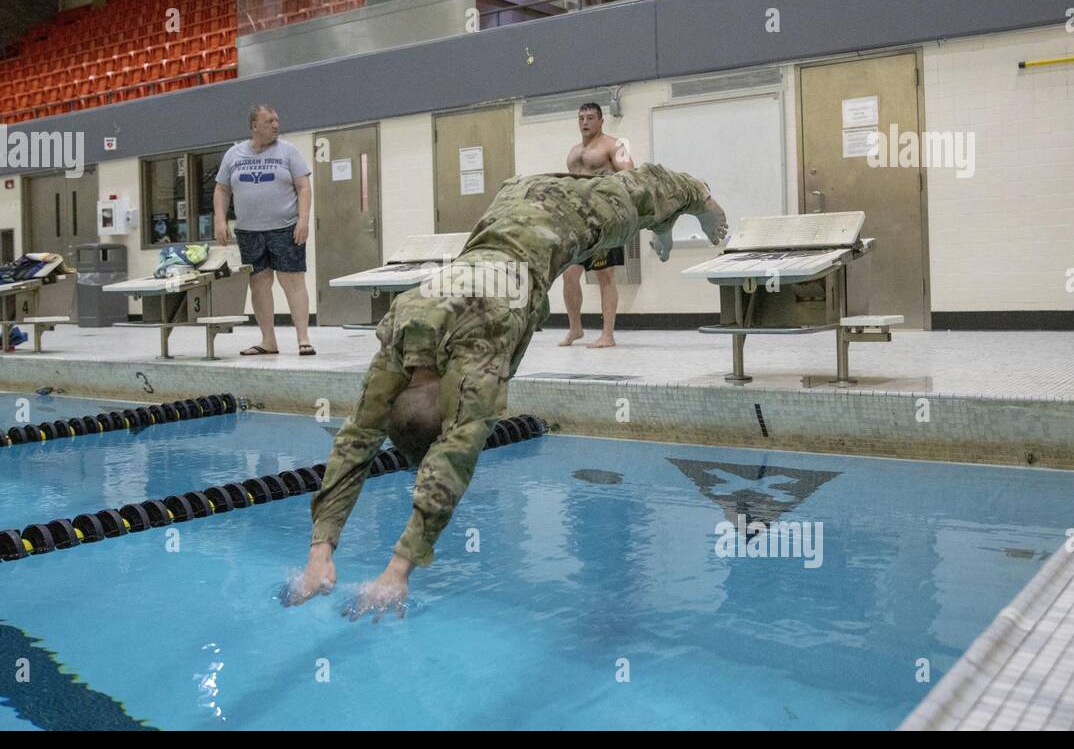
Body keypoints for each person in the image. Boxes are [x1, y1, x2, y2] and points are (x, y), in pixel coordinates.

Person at [283, 163, 730, 619]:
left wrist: (398, 569)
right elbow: (358, 438)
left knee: (635, 195)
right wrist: (320, 549)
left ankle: (698, 198)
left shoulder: (481, 347)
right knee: (626, 223)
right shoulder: (400, 334)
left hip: (559, 215)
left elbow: (455, 455)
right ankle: (664, 225)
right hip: (507, 201)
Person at [213, 105, 316, 356]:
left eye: (277, 120)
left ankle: (303, 338)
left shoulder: (288, 151)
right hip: (249, 231)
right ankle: (268, 340)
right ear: (254, 126)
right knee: (258, 284)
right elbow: (222, 189)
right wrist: (220, 219)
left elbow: (303, 186)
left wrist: (303, 220)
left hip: (285, 229)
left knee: (293, 282)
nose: (276, 125)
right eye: (269, 121)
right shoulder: (234, 154)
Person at [559, 102, 633, 348]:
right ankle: (575, 329)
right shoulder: (573, 152)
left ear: (601, 121)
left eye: (590, 117)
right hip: (579, 222)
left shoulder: (615, 145)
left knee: (605, 276)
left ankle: (608, 335)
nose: (585, 122)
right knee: (569, 274)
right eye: (581, 117)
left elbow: (631, 175)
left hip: (605, 221)